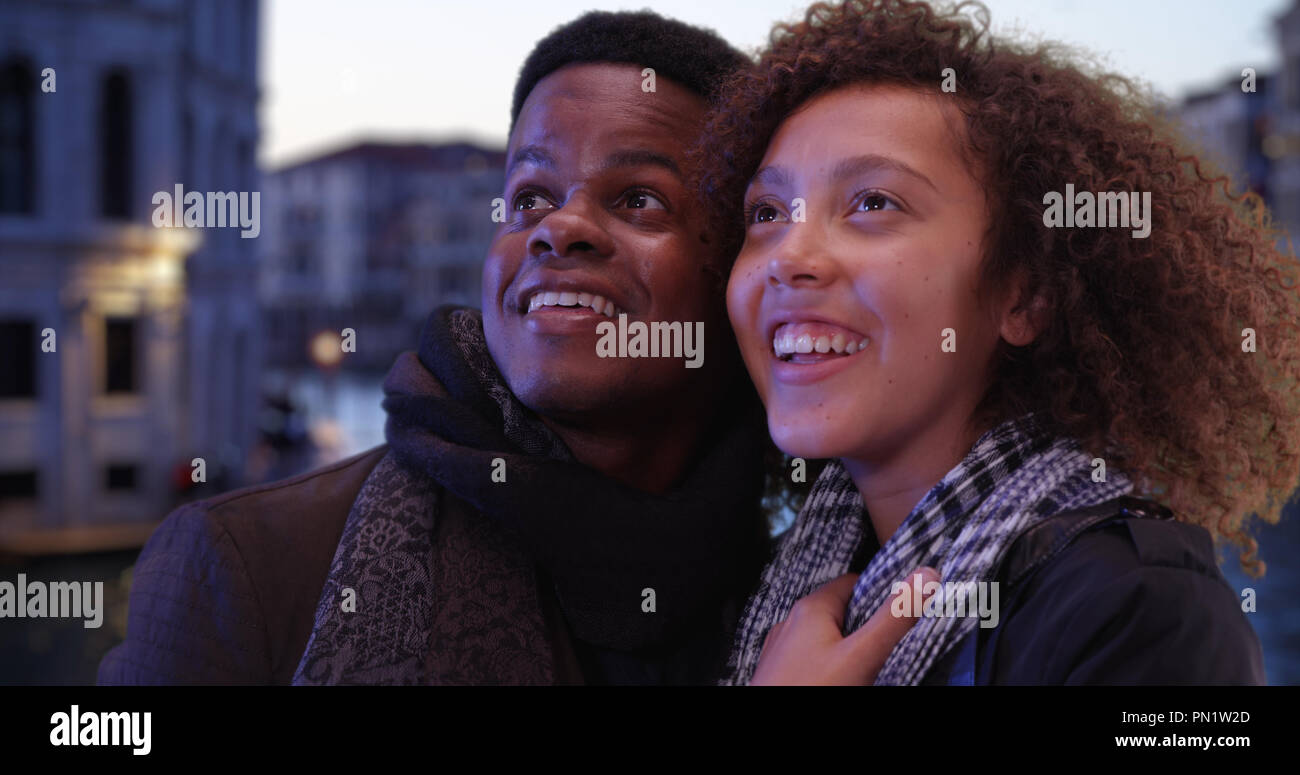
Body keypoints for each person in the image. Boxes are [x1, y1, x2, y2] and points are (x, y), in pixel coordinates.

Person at [98, 10, 773, 686]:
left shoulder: (815, 587)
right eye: (531, 196)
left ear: (746, 267)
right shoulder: (238, 563)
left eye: (638, 199)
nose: (559, 226)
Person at [694, 0, 1300, 685]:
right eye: (766, 213)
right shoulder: (777, 583)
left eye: (872, 202)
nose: (787, 255)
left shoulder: (1146, 611)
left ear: (1024, 295)